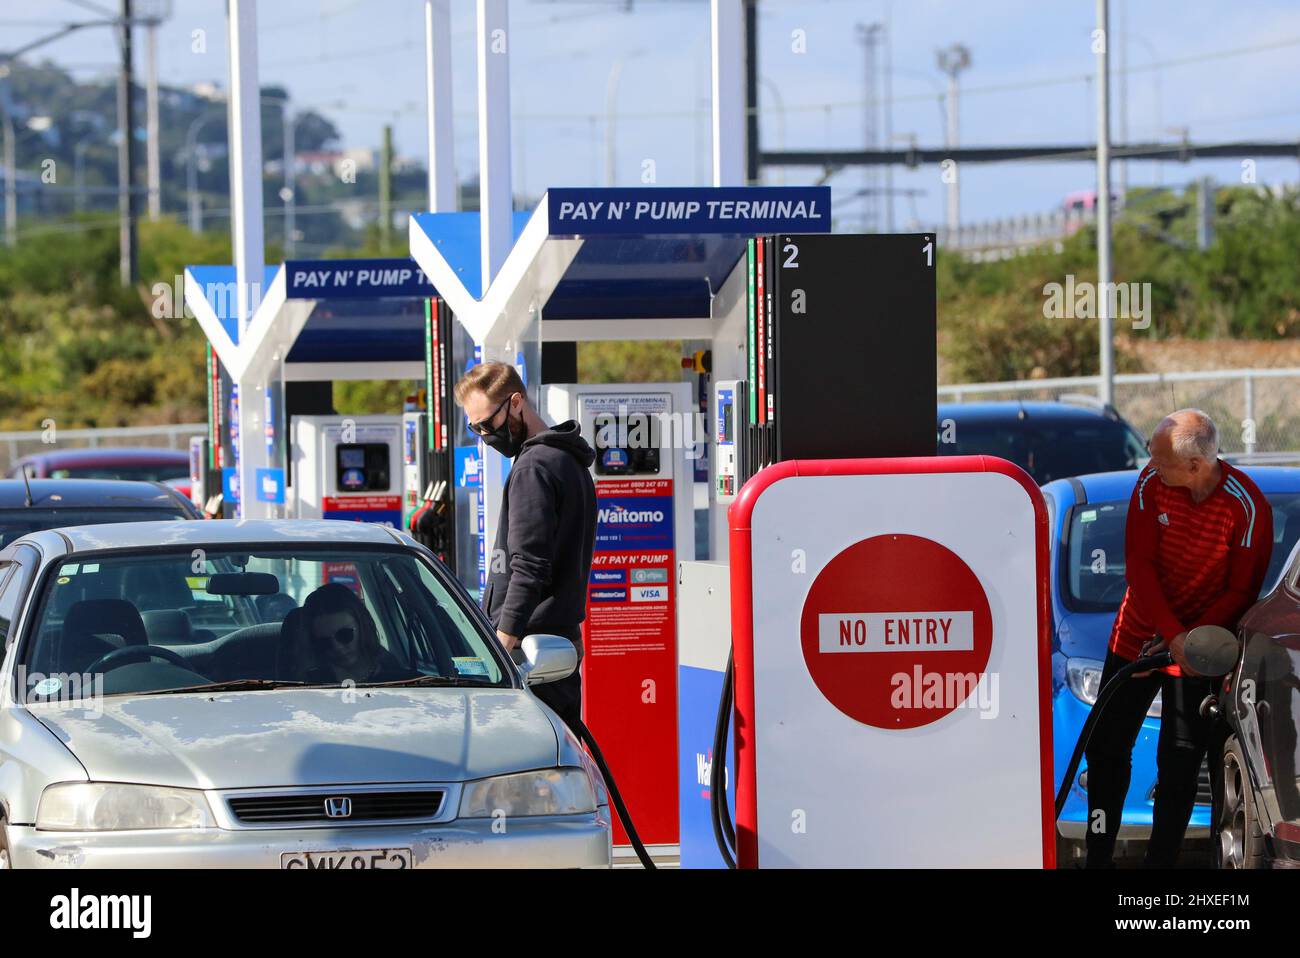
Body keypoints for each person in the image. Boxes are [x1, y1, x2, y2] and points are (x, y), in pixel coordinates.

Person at [1084, 409, 1272, 868]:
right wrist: (1172, 635)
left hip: (1200, 651)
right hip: (1138, 638)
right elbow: (1140, 569)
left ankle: (1160, 865)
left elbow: (1241, 590)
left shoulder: (1247, 507)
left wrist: (1193, 642)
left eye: (1159, 457)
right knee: (1105, 748)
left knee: (1180, 760)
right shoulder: (1150, 487)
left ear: (1195, 466)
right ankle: (1097, 857)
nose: (1149, 464)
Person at [454, 362, 596, 730]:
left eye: (488, 423)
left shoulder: (535, 467)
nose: (486, 436)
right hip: (555, 646)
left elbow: (529, 565)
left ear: (516, 402)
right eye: (476, 428)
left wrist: (501, 645)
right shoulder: (566, 461)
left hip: (529, 653)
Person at [300, 582, 405, 685]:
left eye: (344, 635)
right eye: (324, 642)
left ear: (363, 627)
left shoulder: (399, 679)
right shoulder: (307, 684)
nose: (337, 647)